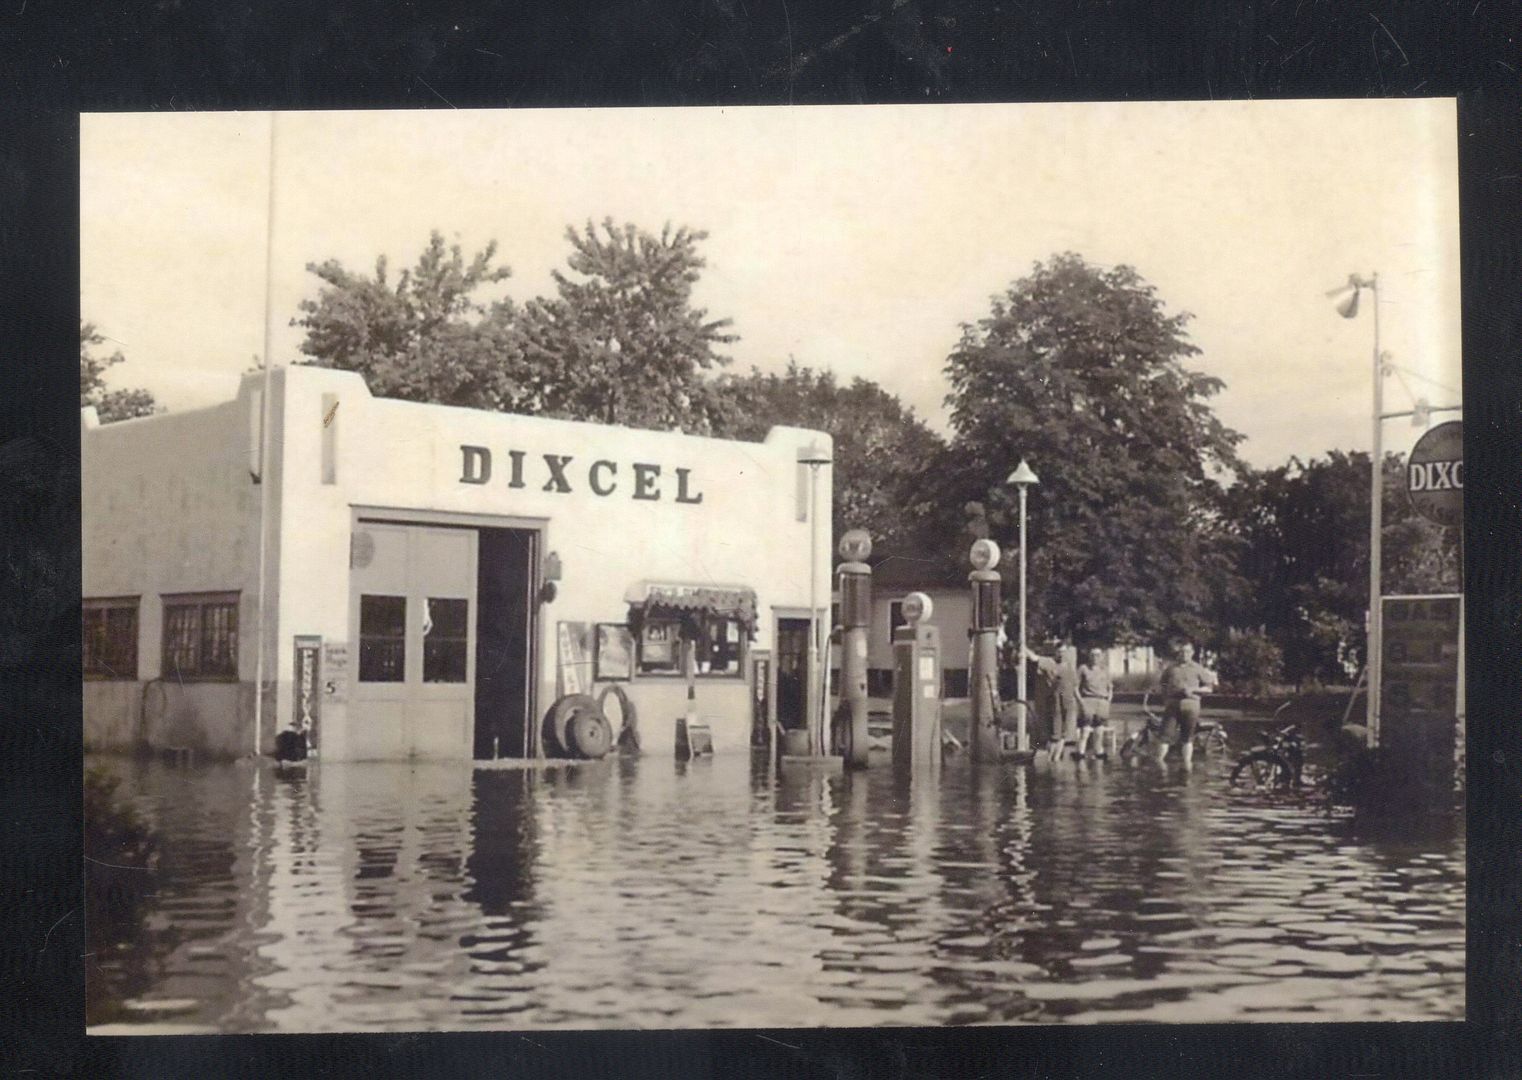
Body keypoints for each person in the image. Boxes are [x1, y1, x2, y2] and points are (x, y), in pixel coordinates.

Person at [1154, 640, 1217, 766]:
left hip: (1191, 706)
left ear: (1192, 653)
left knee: (1187, 738)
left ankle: (1187, 766)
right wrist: (1166, 699)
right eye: (1182, 651)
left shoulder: (1198, 669)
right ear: (1178, 653)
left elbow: (1209, 689)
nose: (1184, 654)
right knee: (1164, 736)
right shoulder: (1171, 668)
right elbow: (1163, 686)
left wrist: (1193, 689)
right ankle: (1160, 765)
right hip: (1173, 706)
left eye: (1187, 651)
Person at [1025, 643, 1081, 760]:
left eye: (1064, 652)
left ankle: (1055, 759)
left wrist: (1080, 703)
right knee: (1055, 734)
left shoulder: (1070, 667)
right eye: (1059, 652)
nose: (1061, 654)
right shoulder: (1050, 663)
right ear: (1056, 652)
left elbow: (1075, 687)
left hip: (1069, 703)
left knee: (1064, 735)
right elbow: (1035, 658)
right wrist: (1024, 648)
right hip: (1055, 703)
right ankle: (1050, 757)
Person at [1075, 648, 1113, 759]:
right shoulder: (1083, 668)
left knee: (1099, 727)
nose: (1095, 658)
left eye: (1098, 655)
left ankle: (1098, 751)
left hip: (1102, 701)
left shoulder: (1105, 669)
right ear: (1089, 656)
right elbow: (1075, 687)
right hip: (1088, 699)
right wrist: (1080, 701)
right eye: (1093, 655)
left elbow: (1110, 687)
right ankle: (1081, 752)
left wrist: (1108, 700)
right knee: (1085, 727)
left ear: (1101, 657)